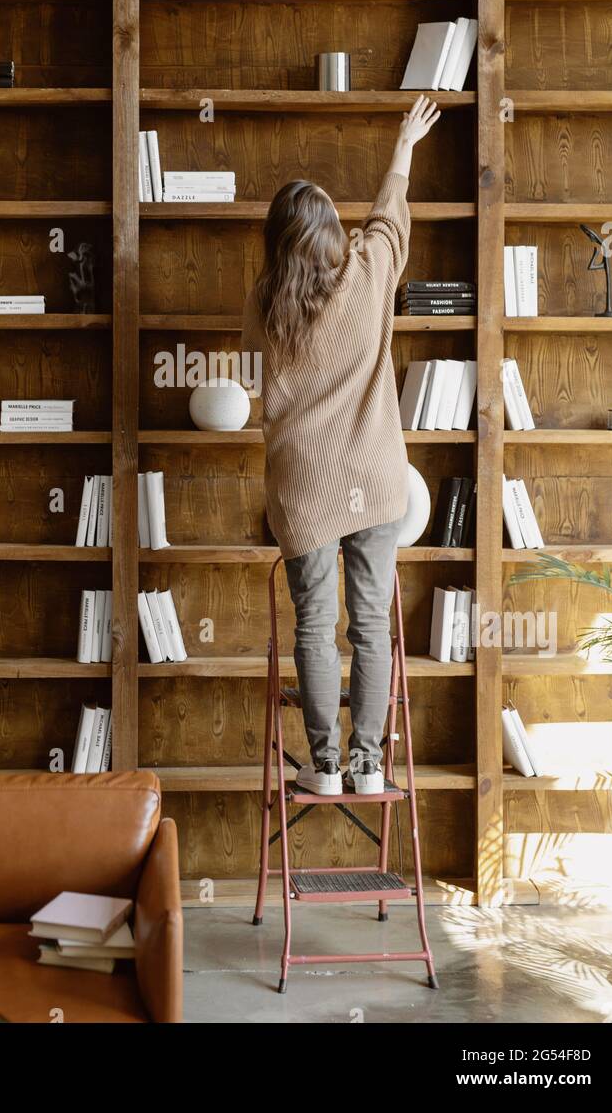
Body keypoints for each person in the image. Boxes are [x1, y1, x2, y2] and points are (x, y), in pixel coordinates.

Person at [241, 95, 441, 796]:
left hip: (305, 493)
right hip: (377, 482)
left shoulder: (265, 304)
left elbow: (248, 381)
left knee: (316, 624)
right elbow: (389, 216)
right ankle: (368, 764)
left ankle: (323, 765)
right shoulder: (367, 274)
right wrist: (404, 144)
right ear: (331, 236)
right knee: (371, 628)